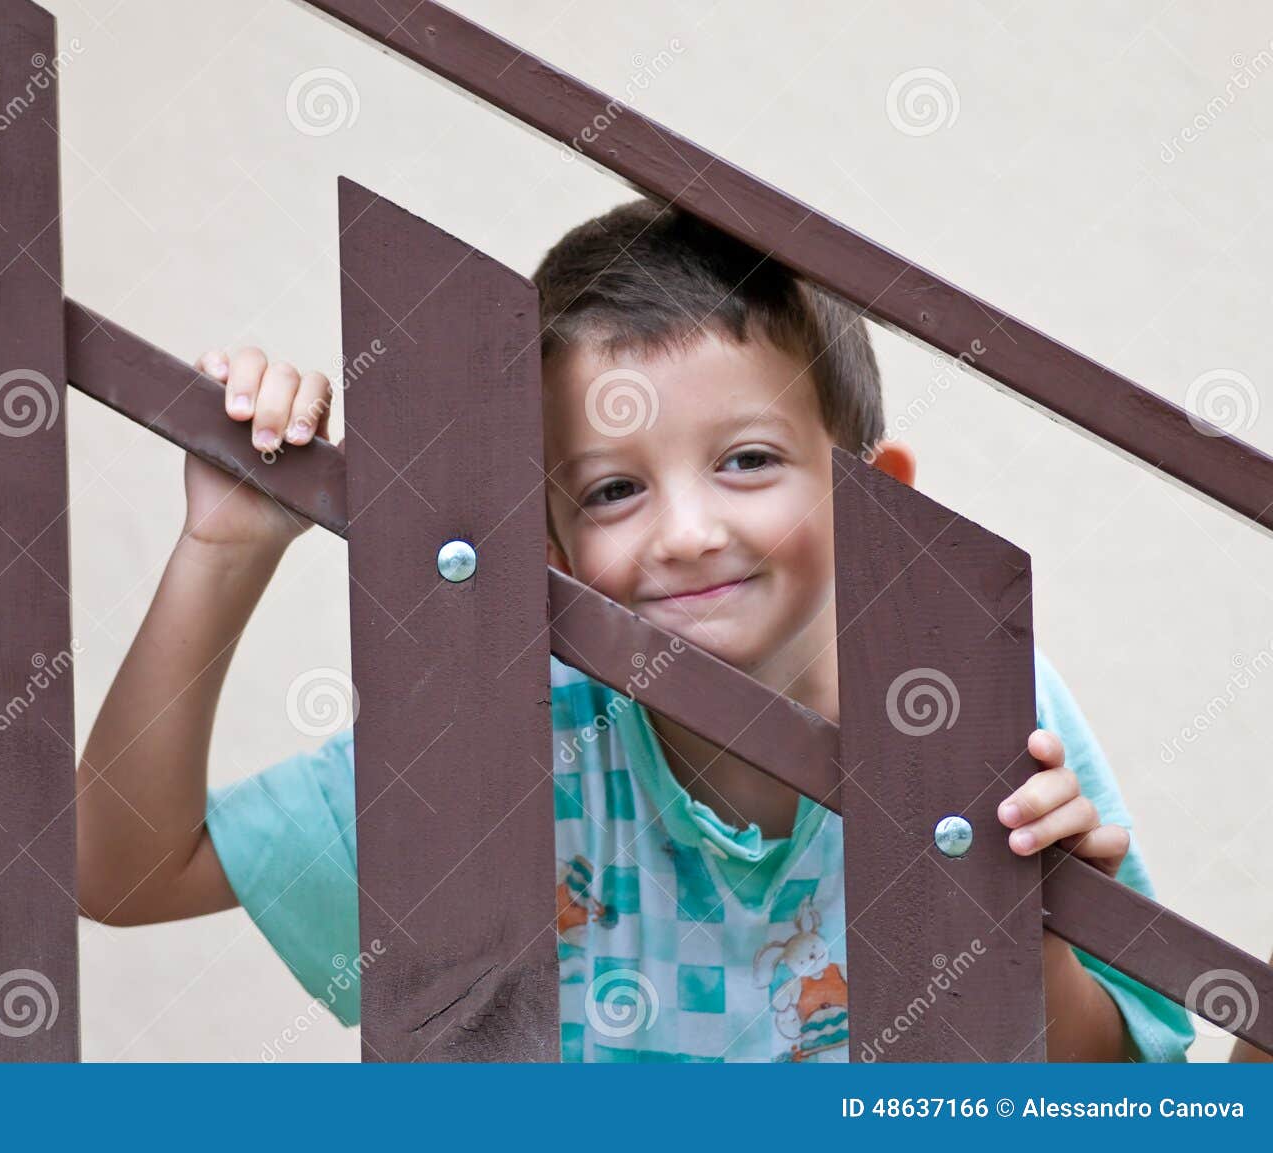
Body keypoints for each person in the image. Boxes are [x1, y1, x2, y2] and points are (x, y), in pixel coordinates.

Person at [75, 197, 1195, 1063]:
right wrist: (227, 551)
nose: (687, 532)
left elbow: (1115, 1080)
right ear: (550, 547)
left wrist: (1018, 931)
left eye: (747, 461)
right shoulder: (512, 738)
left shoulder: (975, 705)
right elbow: (119, 872)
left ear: (880, 506)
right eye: (613, 490)